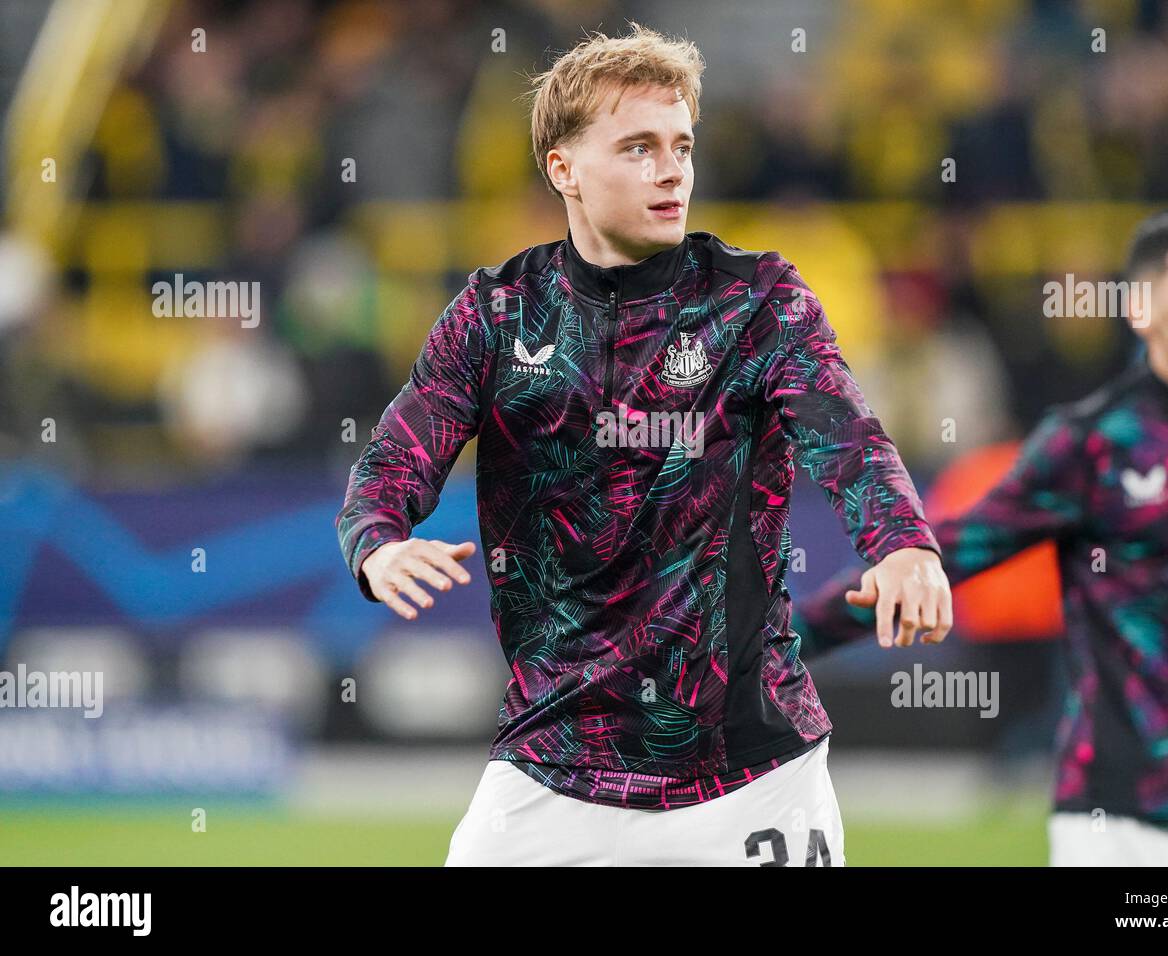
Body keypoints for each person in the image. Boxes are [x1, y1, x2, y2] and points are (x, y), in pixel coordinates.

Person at [334, 22, 951, 866]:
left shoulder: (759, 300)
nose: (671, 170)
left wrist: (903, 545)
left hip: (748, 770)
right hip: (551, 768)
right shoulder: (494, 315)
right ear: (564, 169)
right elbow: (394, 460)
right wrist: (377, 544)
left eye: (682, 146)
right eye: (638, 147)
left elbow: (848, 440)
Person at [794, 207, 1168, 866]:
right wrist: (781, 641)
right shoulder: (1093, 442)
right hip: (1118, 823)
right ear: (1143, 313)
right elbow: (949, 552)